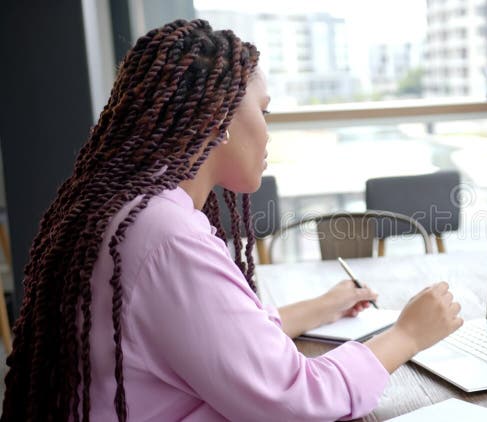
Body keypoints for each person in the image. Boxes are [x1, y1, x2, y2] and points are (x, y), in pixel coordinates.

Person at [1, 19, 463, 421]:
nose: (268, 131)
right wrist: (407, 334)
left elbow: (223, 337)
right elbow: (294, 398)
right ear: (217, 121)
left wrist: (324, 306)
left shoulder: (132, 210)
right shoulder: (167, 237)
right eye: (263, 112)